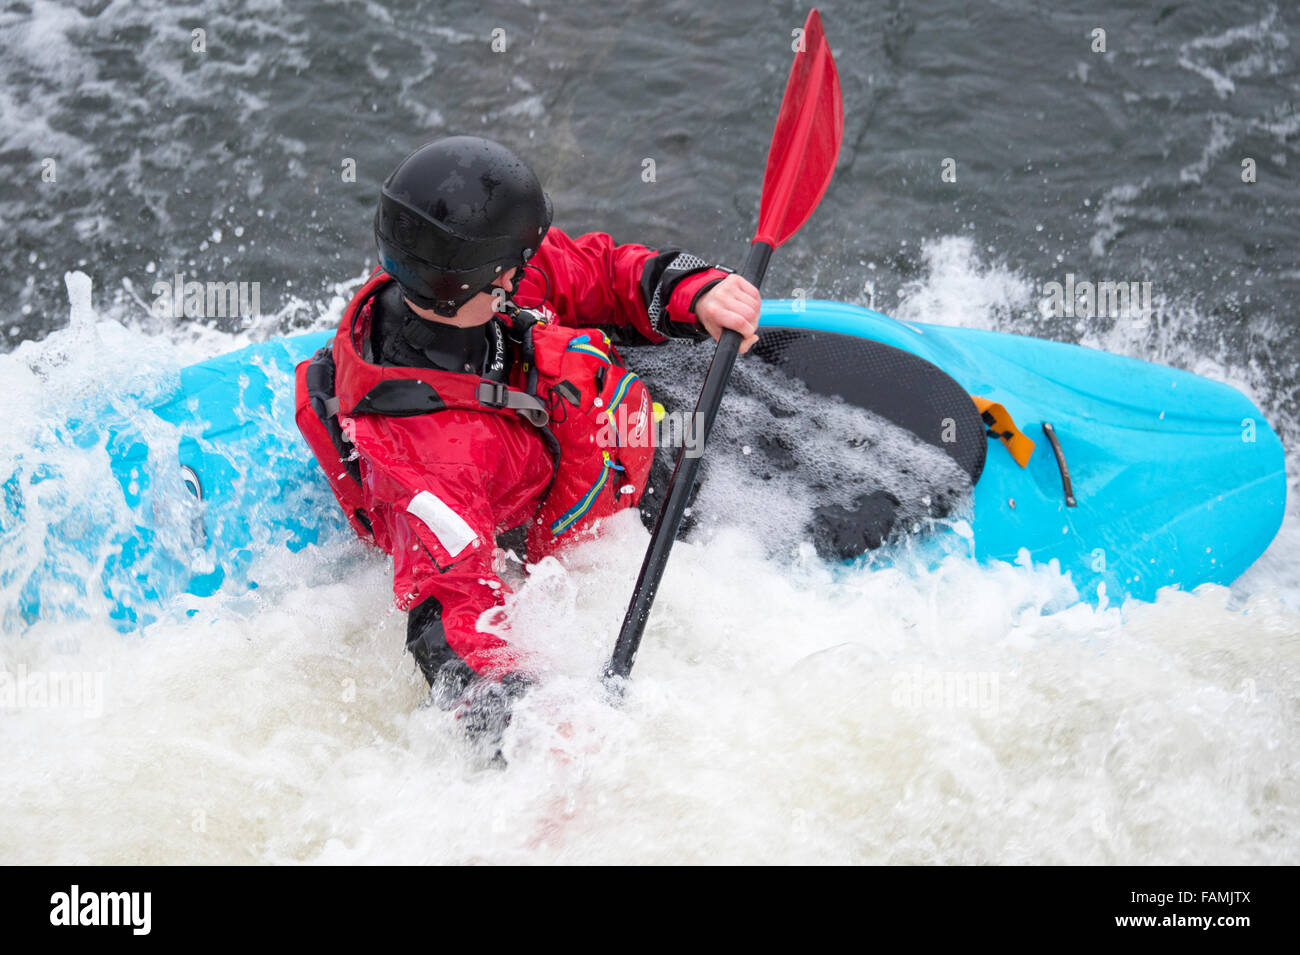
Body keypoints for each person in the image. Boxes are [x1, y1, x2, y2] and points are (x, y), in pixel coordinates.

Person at [295, 136, 760, 731]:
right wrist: (530, 726)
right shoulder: (434, 465)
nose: (523, 269)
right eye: (513, 263)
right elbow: (452, 622)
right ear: (481, 278)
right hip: (565, 530)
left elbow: (590, 269)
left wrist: (690, 290)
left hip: (580, 444)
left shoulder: (459, 278)